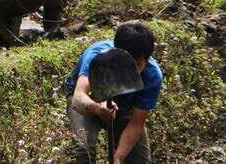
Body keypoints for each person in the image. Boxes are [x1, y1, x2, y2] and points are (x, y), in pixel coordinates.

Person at [63, 21, 163, 163]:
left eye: (137, 65)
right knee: (82, 151)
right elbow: (78, 97)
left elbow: (136, 123)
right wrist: (97, 108)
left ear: (146, 60)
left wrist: (119, 157)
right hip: (88, 101)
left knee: (138, 160)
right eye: (127, 64)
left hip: (123, 106)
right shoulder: (97, 58)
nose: (131, 71)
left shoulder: (152, 76)